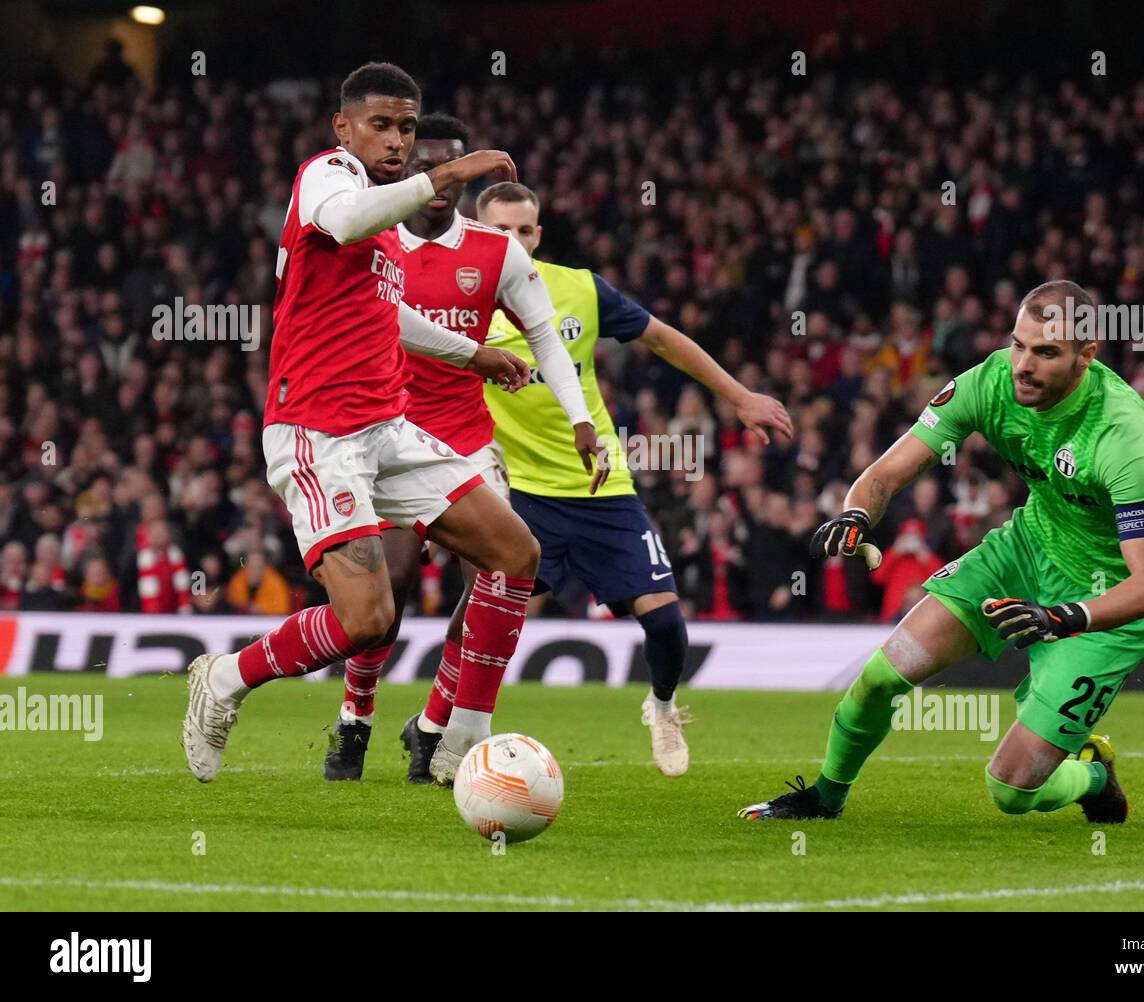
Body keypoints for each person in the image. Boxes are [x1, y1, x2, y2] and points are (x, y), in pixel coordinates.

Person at [181, 63, 535, 783]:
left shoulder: (383, 229)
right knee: (369, 620)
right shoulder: (326, 176)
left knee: (514, 553)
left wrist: (474, 354)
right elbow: (343, 218)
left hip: (388, 427)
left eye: (408, 127)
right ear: (344, 127)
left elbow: (389, 314)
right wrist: (450, 173)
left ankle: (460, 744)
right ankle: (224, 680)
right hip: (318, 433)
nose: (399, 140)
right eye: (383, 124)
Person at [741, 280, 1144, 824]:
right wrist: (856, 514)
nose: (1024, 365)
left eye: (1046, 353)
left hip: (1107, 598)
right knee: (886, 675)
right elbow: (887, 473)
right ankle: (825, 797)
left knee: (1010, 790)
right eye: (1019, 344)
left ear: (1086, 356)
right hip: (1028, 550)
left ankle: (1094, 775)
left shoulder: (1122, 431)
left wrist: (1062, 618)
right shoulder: (992, 381)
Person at [413, 180, 789, 776]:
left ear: (540, 233)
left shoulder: (580, 290)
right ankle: (436, 727)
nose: (516, 241)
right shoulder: (454, 303)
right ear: (476, 230)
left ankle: (661, 707)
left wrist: (739, 396)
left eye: (526, 230)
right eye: (501, 230)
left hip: (600, 491)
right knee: (472, 617)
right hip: (518, 495)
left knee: (665, 623)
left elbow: (663, 339)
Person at [324, 114, 595, 782]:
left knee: (492, 584)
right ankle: (355, 717)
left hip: (469, 444)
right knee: (388, 596)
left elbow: (544, 338)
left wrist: (580, 416)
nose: (437, 180)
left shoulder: (497, 252)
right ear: (411, 166)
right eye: (427, 163)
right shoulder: (375, 242)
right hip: (389, 439)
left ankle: (436, 726)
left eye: (452, 165)